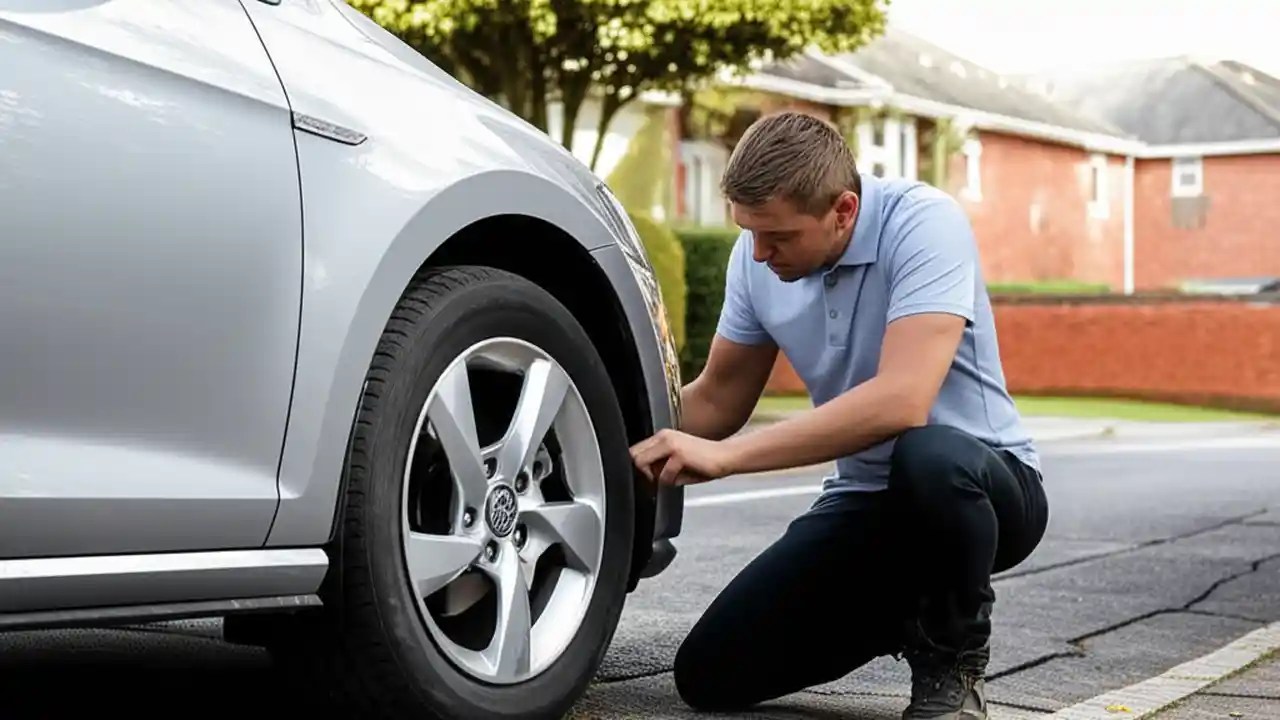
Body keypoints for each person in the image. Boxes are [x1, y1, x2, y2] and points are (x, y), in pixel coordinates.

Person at [629, 111, 1049, 720]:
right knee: (710, 674)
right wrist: (605, 440)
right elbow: (718, 400)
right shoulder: (756, 257)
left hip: (983, 488)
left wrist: (728, 458)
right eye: (748, 232)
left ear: (844, 211)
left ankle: (952, 663)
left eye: (779, 237)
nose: (760, 252)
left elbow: (903, 400)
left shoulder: (924, 223)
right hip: (865, 501)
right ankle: (910, 612)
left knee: (929, 453)